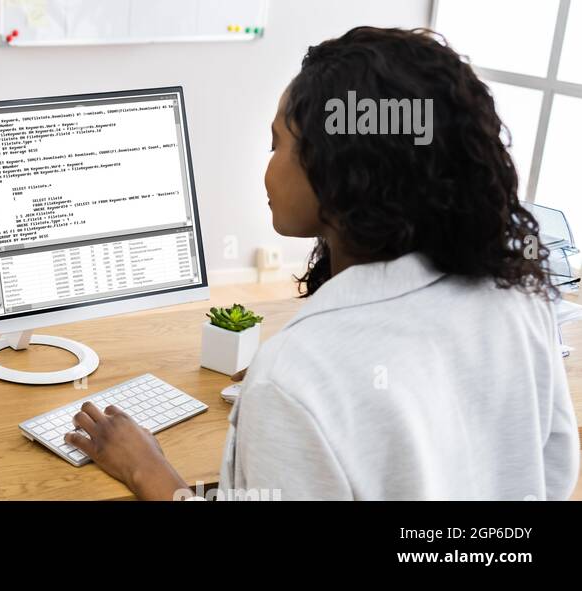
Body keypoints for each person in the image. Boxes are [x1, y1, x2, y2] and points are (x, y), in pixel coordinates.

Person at [65, 27, 580, 500]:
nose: (267, 165)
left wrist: (149, 472)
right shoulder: (520, 297)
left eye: (278, 143)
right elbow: (551, 475)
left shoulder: (295, 376)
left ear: (339, 169)